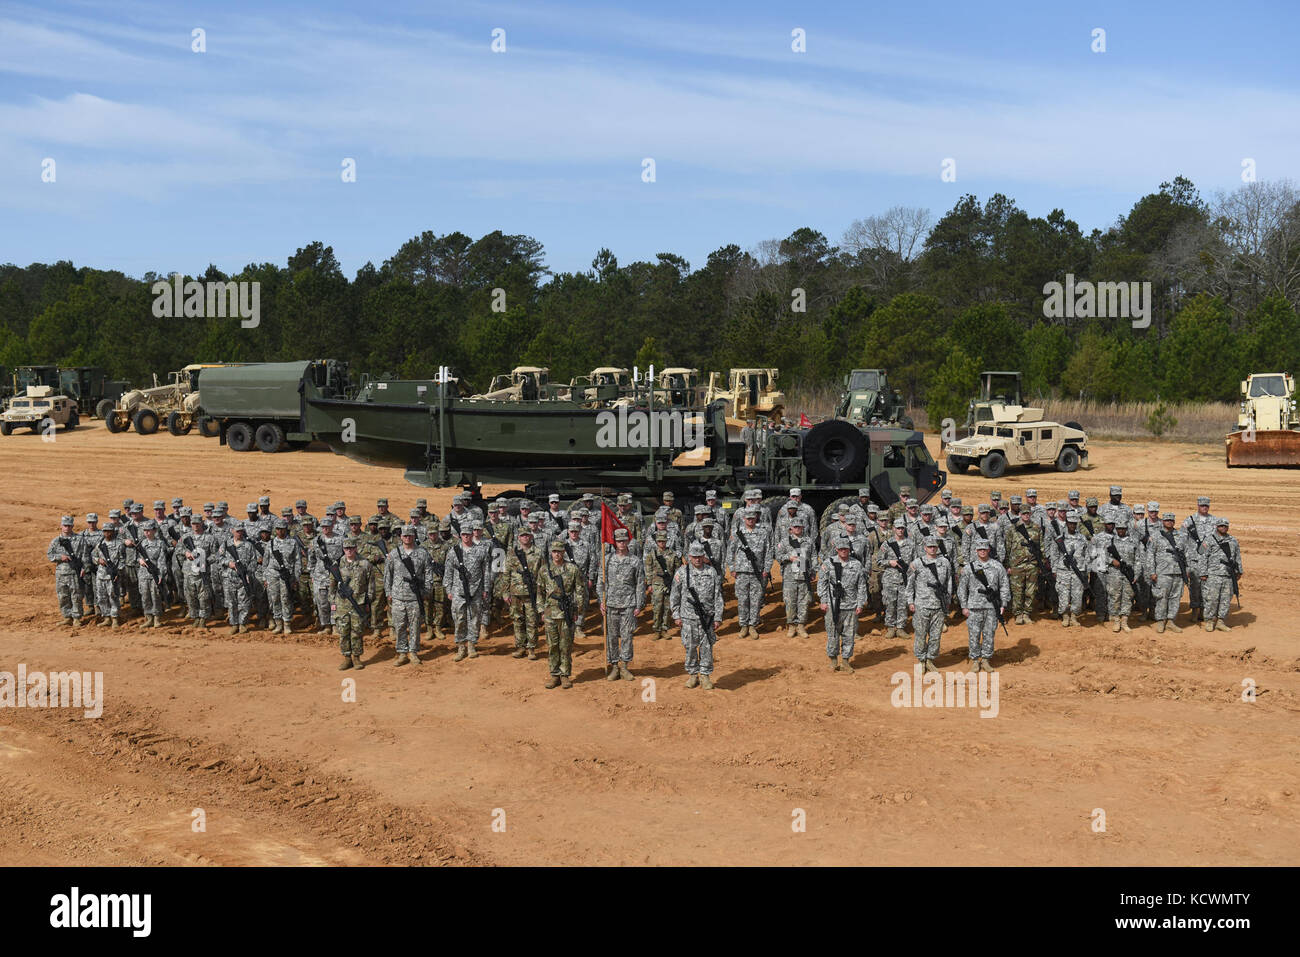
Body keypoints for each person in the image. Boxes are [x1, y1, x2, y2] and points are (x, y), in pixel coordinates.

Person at [670, 543, 724, 690]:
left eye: (700, 556)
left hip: (707, 618)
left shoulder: (711, 572)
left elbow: (717, 596)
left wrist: (718, 617)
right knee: (690, 647)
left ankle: (705, 675)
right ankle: (693, 674)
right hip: (688, 618)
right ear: (689, 557)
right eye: (694, 557)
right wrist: (676, 615)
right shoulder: (681, 572)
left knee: (707, 647)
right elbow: (674, 595)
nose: (698, 559)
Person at [599, 527, 645, 680]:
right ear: (614, 542)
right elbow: (601, 582)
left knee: (627, 636)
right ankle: (614, 667)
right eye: (618, 541)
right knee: (611, 636)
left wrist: (639, 604)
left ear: (628, 541)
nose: (621, 543)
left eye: (624, 540)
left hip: (628, 604)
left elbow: (639, 583)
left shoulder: (635, 561)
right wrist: (601, 601)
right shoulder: (607, 559)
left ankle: (624, 666)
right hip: (611, 603)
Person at [957, 541, 1009, 672]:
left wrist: (1003, 603)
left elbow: (1004, 585)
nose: (982, 551)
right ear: (976, 550)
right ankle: (975, 660)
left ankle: (986, 659)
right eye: (980, 549)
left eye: (985, 549)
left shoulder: (997, 566)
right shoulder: (969, 568)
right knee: (974, 635)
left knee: (989, 634)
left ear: (989, 550)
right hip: (974, 607)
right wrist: (964, 606)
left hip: (992, 606)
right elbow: (962, 588)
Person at [818, 535, 867, 673]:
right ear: (837, 550)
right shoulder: (828, 564)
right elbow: (822, 582)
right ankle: (833, 661)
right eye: (840, 549)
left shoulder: (856, 565)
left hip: (851, 606)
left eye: (846, 548)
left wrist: (860, 603)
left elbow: (862, 586)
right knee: (832, 634)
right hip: (832, 605)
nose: (843, 551)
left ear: (849, 549)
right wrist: (823, 601)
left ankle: (846, 661)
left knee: (849, 635)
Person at [387, 525, 434, 665]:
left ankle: (413, 652)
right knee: (400, 626)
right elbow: (387, 575)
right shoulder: (394, 554)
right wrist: (388, 592)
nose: (407, 538)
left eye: (410, 535)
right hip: (398, 597)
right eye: (405, 535)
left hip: (415, 597)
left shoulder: (423, 553)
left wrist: (427, 590)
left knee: (415, 626)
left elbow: (428, 573)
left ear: (414, 536)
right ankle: (402, 653)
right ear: (401, 537)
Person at [541, 540, 583, 689]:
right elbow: (540, 591)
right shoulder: (544, 570)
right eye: (554, 551)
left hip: (566, 613)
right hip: (550, 613)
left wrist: (577, 610)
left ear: (564, 552)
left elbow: (579, 590)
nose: (557, 554)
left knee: (565, 645)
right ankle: (554, 675)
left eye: (559, 551)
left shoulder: (572, 569)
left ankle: (565, 675)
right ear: (551, 552)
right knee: (552, 645)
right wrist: (541, 610)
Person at [908, 537, 953, 673]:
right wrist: (910, 601)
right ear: (925, 548)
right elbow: (910, 584)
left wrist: (948, 600)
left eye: (934, 546)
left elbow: (949, 582)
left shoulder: (944, 562)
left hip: (939, 605)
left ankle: (930, 660)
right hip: (921, 604)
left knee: (935, 636)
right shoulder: (916, 563)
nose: (932, 548)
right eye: (930, 546)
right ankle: (921, 660)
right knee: (921, 635)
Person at [728, 505, 772, 639]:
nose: (751, 520)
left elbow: (769, 551)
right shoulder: (738, 533)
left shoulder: (763, 532)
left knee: (756, 600)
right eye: (748, 518)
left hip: (757, 572)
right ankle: (743, 625)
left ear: (756, 518)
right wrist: (731, 568)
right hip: (741, 571)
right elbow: (730, 551)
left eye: (753, 518)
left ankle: (753, 625)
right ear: (744, 519)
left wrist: (767, 569)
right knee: (742, 600)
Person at [332, 537, 376, 670]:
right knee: (344, 632)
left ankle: (356, 658)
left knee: (357, 631)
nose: (349, 551)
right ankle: (347, 658)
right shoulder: (337, 565)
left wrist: (368, 601)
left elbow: (371, 584)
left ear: (356, 548)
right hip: (342, 604)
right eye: (346, 548)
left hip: (359, 603)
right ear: (343, 549)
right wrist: (332, 602)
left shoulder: (365, 564)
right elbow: (332, 584)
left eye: (351, 548)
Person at [505, 526, 544, 659]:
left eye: (527, 535)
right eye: (522, 535)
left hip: (532, 593)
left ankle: (531, 648)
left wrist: (542, 593)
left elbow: (543, 573)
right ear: (518, 538)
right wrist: (505, 593)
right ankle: (520, 646)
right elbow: (506, 573)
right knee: (517, 620)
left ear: (531, 537)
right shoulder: (512, 552)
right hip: (515, 593)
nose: (525, 537)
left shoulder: (538, 552)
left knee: (532, 621)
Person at [1198, 517, 1242, 632]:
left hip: (1228, 575)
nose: (1223, 528)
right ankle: (1209, 621)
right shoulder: (1208, 540)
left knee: (1225, 599)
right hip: (1213, 574)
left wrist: (1239, 571)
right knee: (1211, 599)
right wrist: (1203, 572)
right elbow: (1202, 557)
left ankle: (1221, 621)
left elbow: (1237, 556)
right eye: (1221, 526)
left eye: (1225, 526)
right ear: (1216, 527)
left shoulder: (1233, 540)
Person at [779, 517, 816, 638]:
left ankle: (801, 625)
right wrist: (789, 557)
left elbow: (814, 556)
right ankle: (791, 625)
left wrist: (814, 570)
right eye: (795, 527)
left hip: (804, 576)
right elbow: (778, 555)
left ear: (803, 528)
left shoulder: (808, 541)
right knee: (790, 601)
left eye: (799, 527)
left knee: (803, 602)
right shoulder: (785, 542)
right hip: (790, 576)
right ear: (791, 529)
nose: (797, 529)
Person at [48, 516, 85, 626]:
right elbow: (50, 555)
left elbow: (85, 555)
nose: (67, 528)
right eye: (65, 525)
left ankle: (77, 618)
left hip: (75, 573)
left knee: (76, 595)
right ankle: (67, 617)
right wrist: (60, 557)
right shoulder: (56, 541)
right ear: (61, 526)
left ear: (72, 526)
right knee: (63, 596)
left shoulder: (79, 539)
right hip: (61, 573)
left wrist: (84, 568)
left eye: (69, 526)